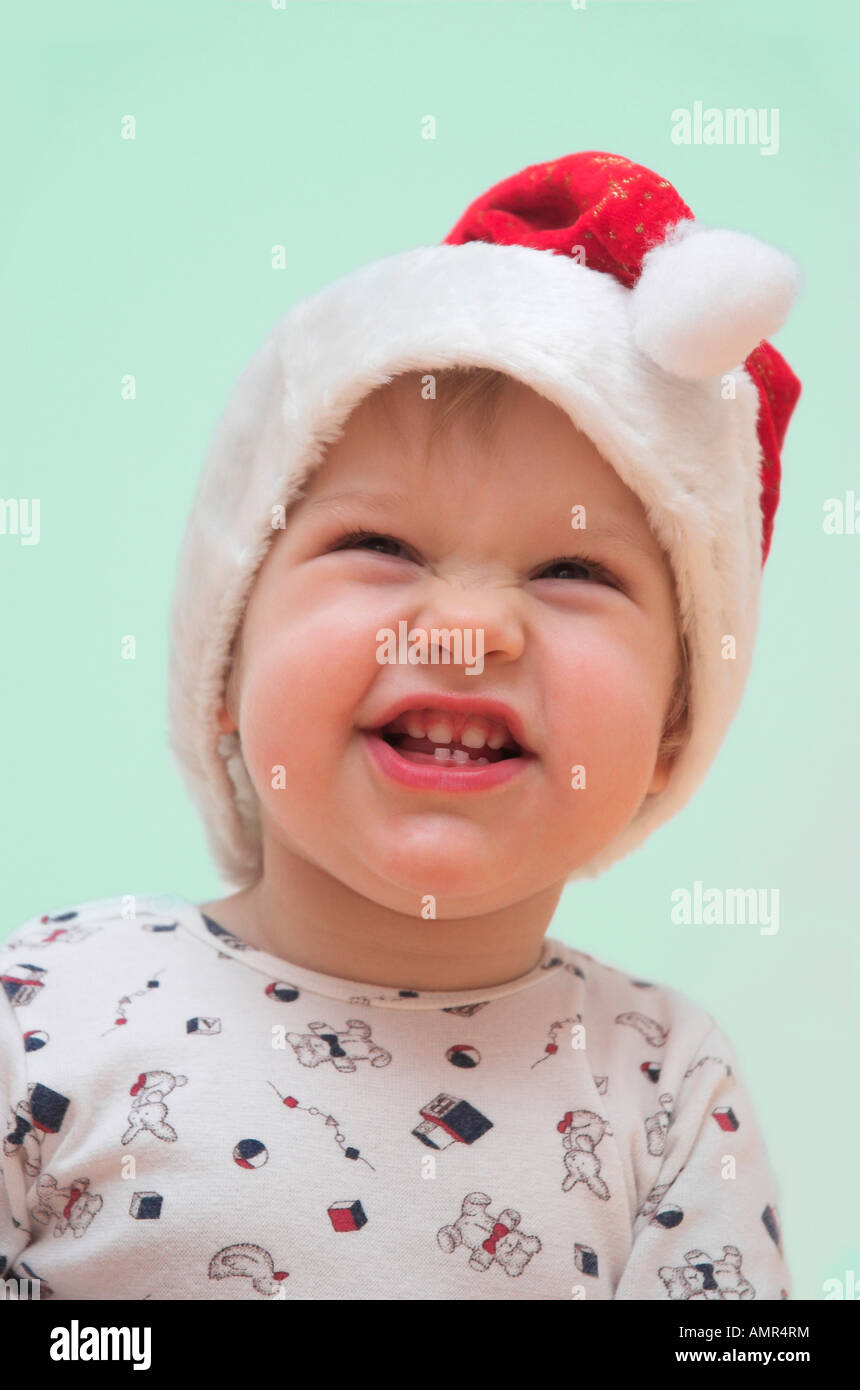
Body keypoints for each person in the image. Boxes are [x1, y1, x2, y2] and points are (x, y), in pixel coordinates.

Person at [0, 151, 801, 1301]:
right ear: (224, 655)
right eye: (380, 548)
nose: (468, 627)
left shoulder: (664, 1085)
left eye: (572, 569)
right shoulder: (42, 1005)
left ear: (669, 736)